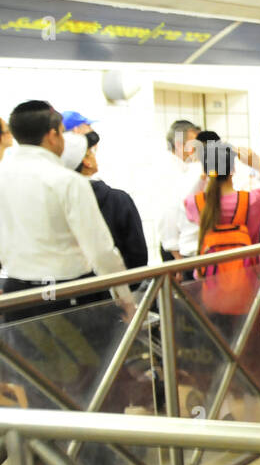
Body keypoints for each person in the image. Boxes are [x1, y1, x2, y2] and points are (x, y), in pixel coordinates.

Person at [0, 101, 132, 322]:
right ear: (52, 136)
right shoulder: (67, 181)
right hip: (66, 293)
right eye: (62, 133)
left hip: (17, 292)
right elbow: (101, 251)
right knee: (85, 357)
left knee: (27, 357)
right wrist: (126, 299)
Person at [182, 141, 260, 395]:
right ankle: (255, 389)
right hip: (248, 286)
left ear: (206, 170)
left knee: (219, 341)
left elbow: (185, 198)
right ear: (233, 168)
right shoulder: (253, 200)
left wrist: (203, 176)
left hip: (211, 288)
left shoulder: (197, 204)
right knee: (251, 341)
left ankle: (224, 388)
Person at [62, 131, 149, 271]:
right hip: (116, 284)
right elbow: (138, 255)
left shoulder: (57, 201)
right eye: (91, 152)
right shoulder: (118, 200)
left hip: (73, 287)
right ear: (87, 162)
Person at [156, 119, 202, 263]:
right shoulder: (168, 171)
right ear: (178, 144)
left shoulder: (186, 167)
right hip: (177, 250)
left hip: (184, 246)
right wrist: (176, 255)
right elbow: (167, 214)